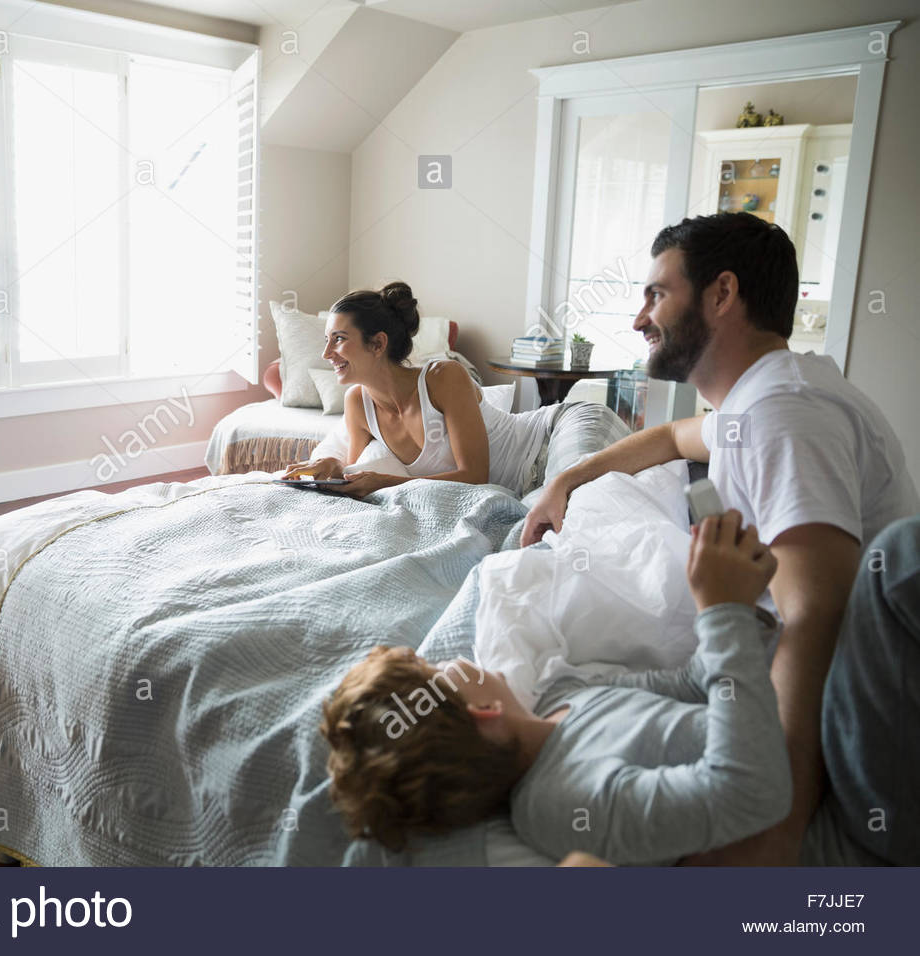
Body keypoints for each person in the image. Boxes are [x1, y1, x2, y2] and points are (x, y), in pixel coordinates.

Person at [519, 212, 918, 863]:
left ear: (722, 294)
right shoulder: (759, 397)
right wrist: (569, 476)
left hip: (862, 728)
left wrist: (772, 832)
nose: (639, 317)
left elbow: (813, 617)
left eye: (657, 293)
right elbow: (675, 437)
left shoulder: (785, 415)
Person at [320, 512, 920, 866]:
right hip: (845, 812)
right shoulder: (562, 806)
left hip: (825, 740)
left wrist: (736, 597)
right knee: (896, 560)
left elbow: (692, 683)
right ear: (480, 710)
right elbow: (752, 794)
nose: (452, 658)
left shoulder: (566, 689)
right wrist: (722, 615)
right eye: (437, 673)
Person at [282, 282, 558, 499]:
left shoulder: (443, 378)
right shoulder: (357, 402)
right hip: (526, 486)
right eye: (327, 340)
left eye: (339, 339)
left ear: (378, 344)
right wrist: (334, 466)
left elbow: (475, 475)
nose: (326, 353)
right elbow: (357, 475)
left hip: (549, 438)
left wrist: (388, 484)